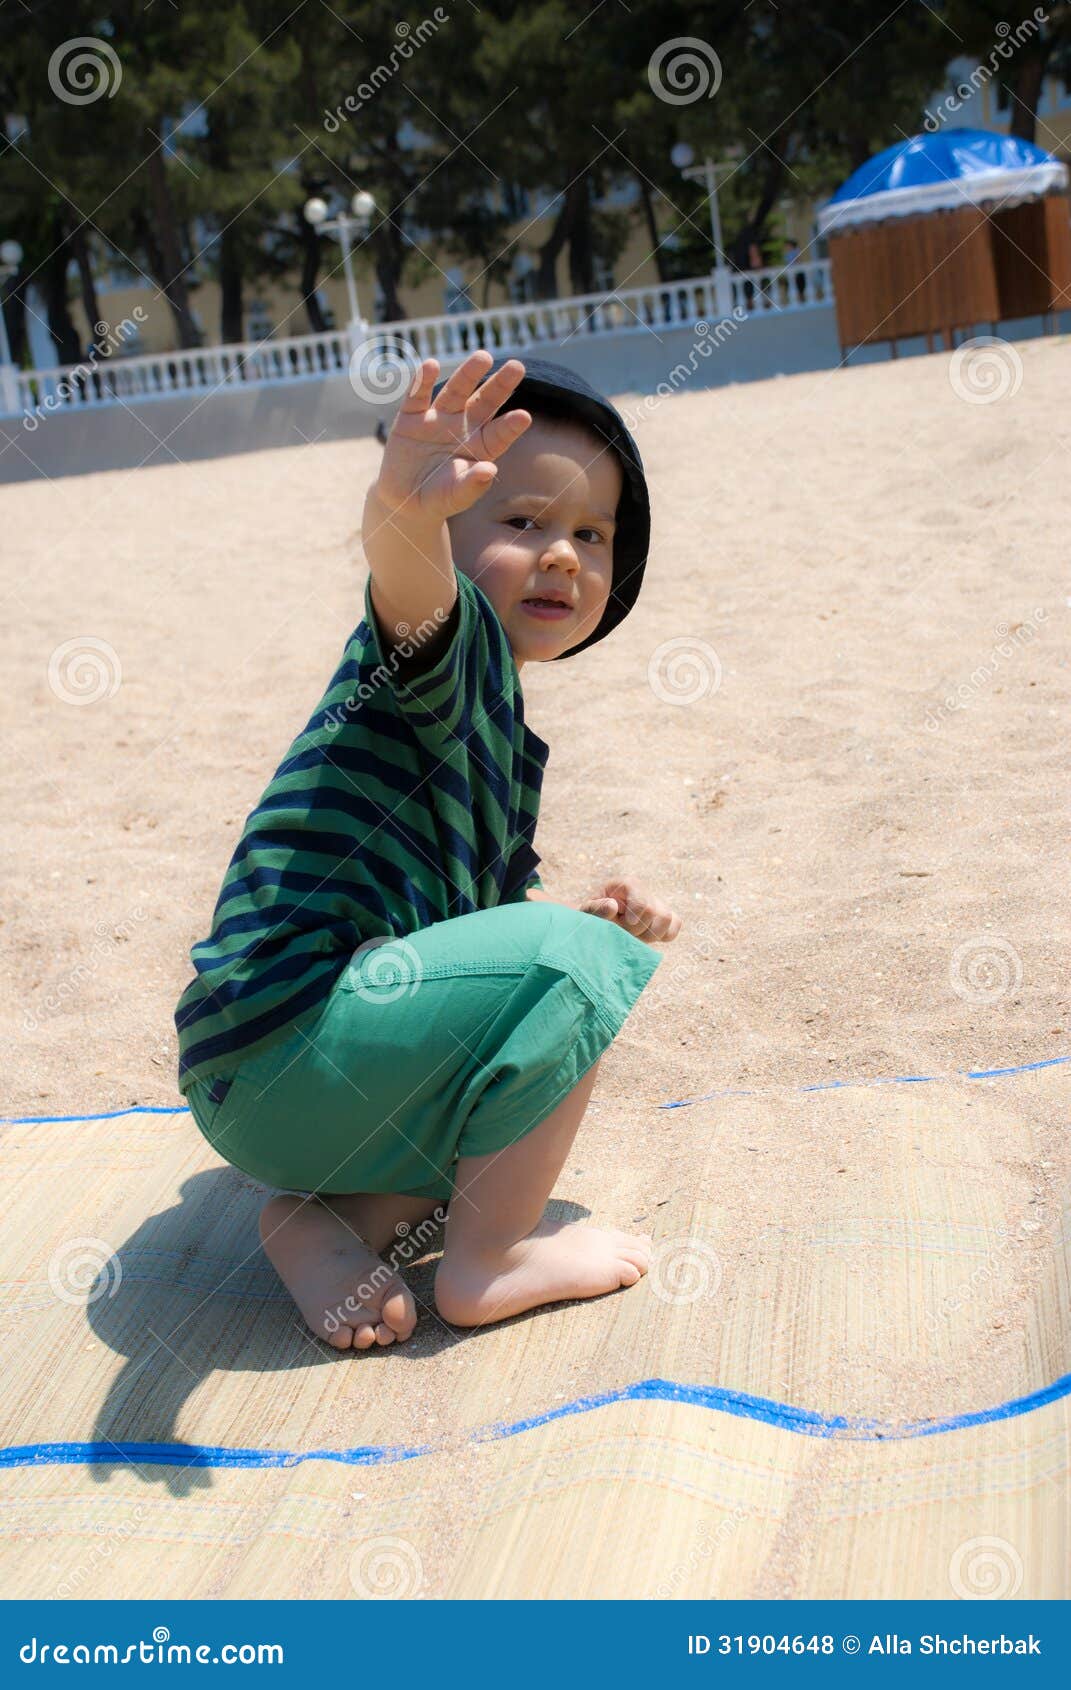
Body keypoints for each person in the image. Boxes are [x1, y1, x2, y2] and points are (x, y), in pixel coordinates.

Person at [175, 349, 682, 1350]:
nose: (564, 555)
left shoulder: (500, 743)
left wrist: (583, 923)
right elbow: (408, 577)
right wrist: (404, 511)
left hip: (267, 1089)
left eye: (590, 531)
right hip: (293, 1035)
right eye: (523, 520)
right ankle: (491, 1261)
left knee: (514, 1078)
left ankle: (323, 1222)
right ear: (452, 536)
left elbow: (485, 953)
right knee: (576, 976)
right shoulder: (440, 651)